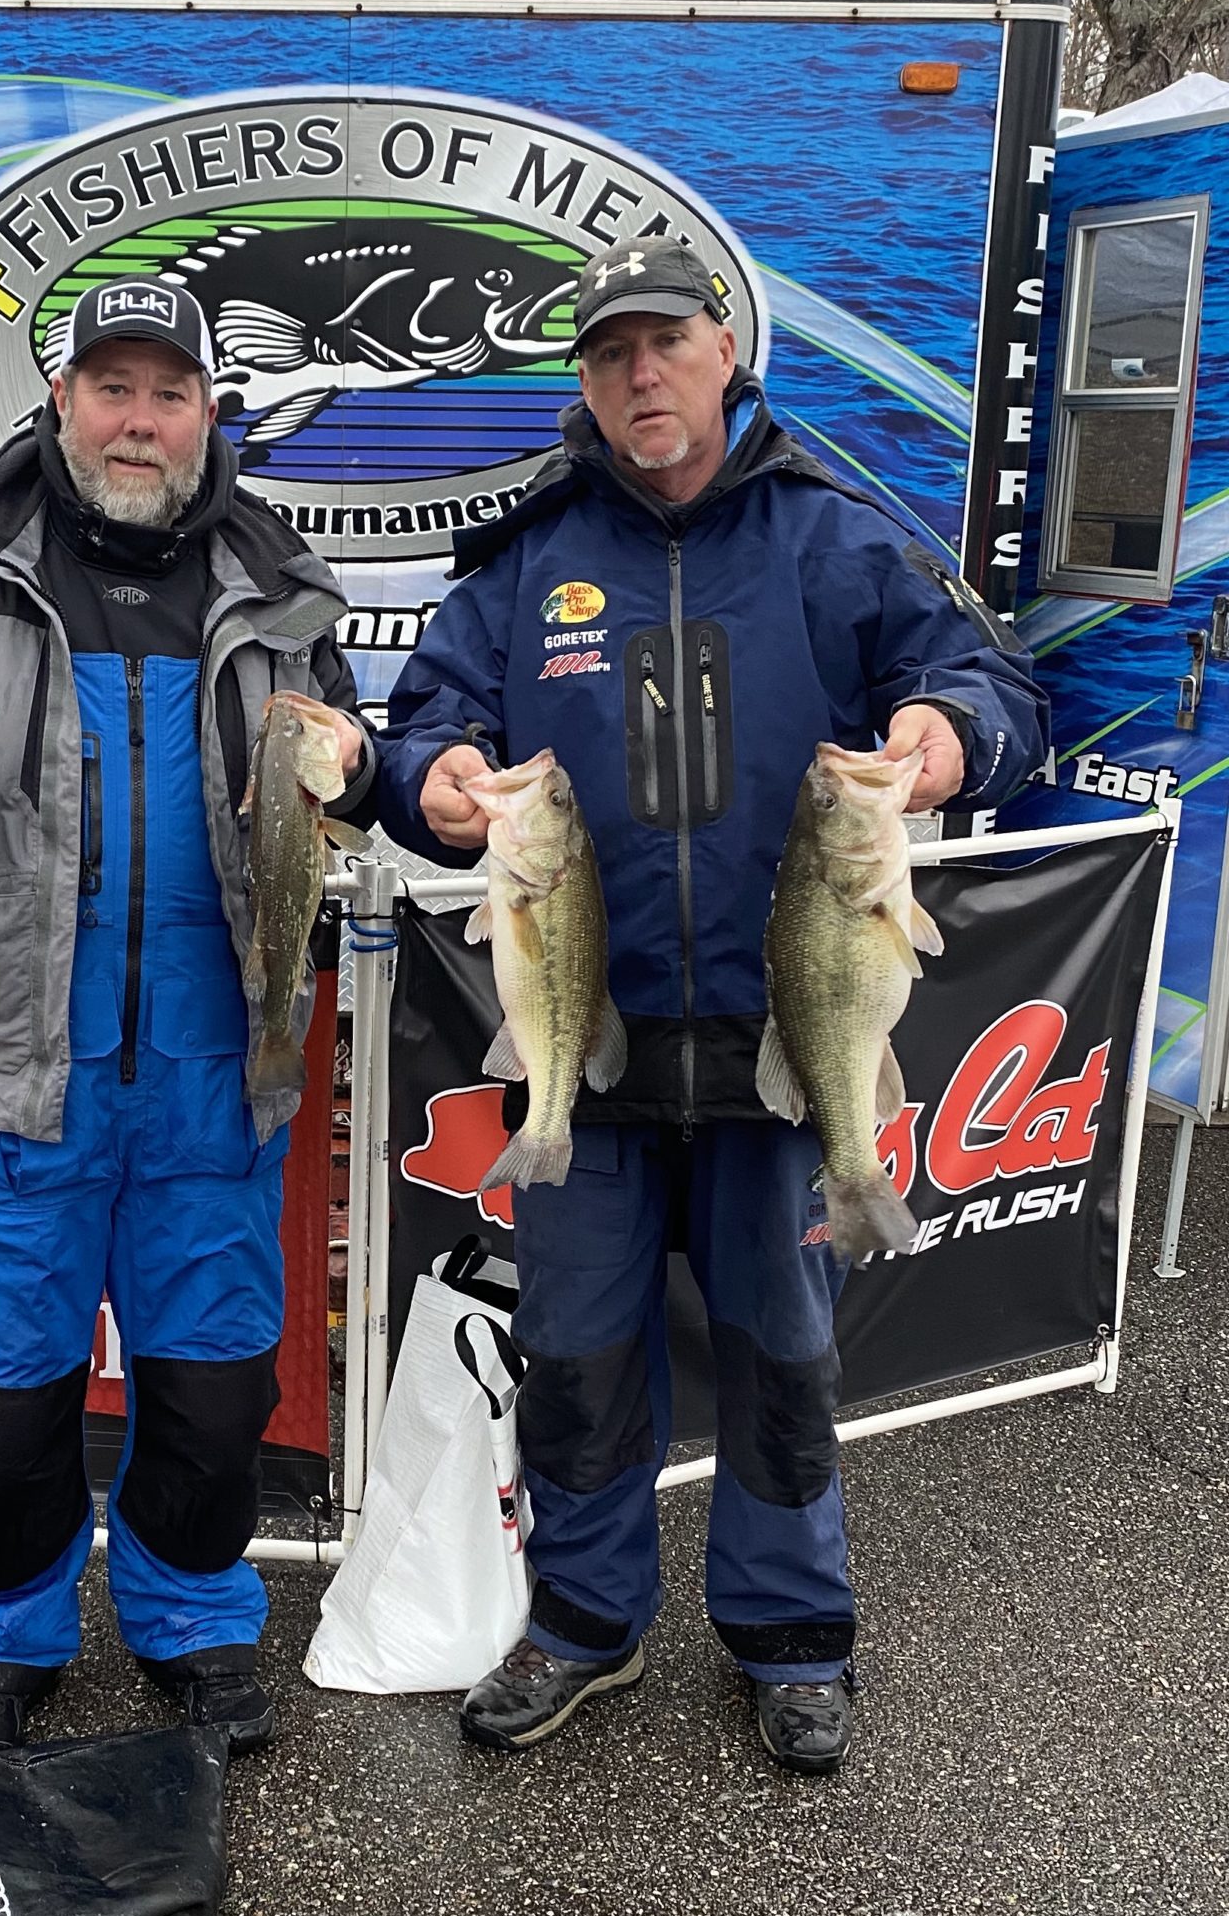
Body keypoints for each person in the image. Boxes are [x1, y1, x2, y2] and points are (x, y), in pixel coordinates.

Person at [376, 235, 1048, 1774]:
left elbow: (999, 686)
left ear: (725, 349)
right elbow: (422, 731)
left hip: (781, 1055)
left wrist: (947, 737)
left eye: (664, 343)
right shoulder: (531, 559)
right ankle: (583, 1623)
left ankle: (792, 1634)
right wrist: (439, 779)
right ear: (587, 383)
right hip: (591, 1054)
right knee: (580, 1358)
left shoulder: (839, 537)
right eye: (608, 354)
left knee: (781, 1359)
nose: (638, 375)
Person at [0, 276, 376, 1754]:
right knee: (3, 1392)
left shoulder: (278, 581)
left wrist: (362, 763)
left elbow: (353, 778)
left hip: (210, 1071)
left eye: (166, 392)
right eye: (110, 387)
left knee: (213, 1381)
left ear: (207, 411)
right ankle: (3, 1634)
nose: (137, 418)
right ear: (58, 400)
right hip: (3, 1065)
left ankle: (195, 1618)